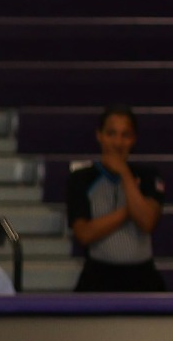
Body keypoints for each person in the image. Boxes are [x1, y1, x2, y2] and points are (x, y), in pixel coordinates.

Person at [67, 105, 165, 292]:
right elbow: (84, 234)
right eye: (111, 133)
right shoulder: (80, 179)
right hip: (98, 277)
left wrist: (124, 173)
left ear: (133, 139)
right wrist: (129, 211)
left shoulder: (149, 177)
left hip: (143, 278)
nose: (117, 142)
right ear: (99, 135)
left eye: (125, 135)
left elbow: (146, 221)